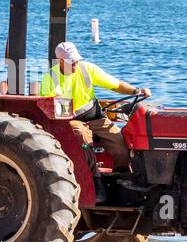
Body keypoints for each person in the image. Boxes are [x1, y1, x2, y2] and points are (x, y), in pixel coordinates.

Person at [39, 41, 150, 170]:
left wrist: (137, 91)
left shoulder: (87, 69)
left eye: (76, 61)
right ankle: (94, 179)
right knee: (83, 139)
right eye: (71, 62)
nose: (75, 65)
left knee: (120, 146)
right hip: (71, 120)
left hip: (95, 117)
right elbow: (51, 108)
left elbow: (116, 85)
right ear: (60, 61)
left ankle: (121, 176)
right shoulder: (50, 78)